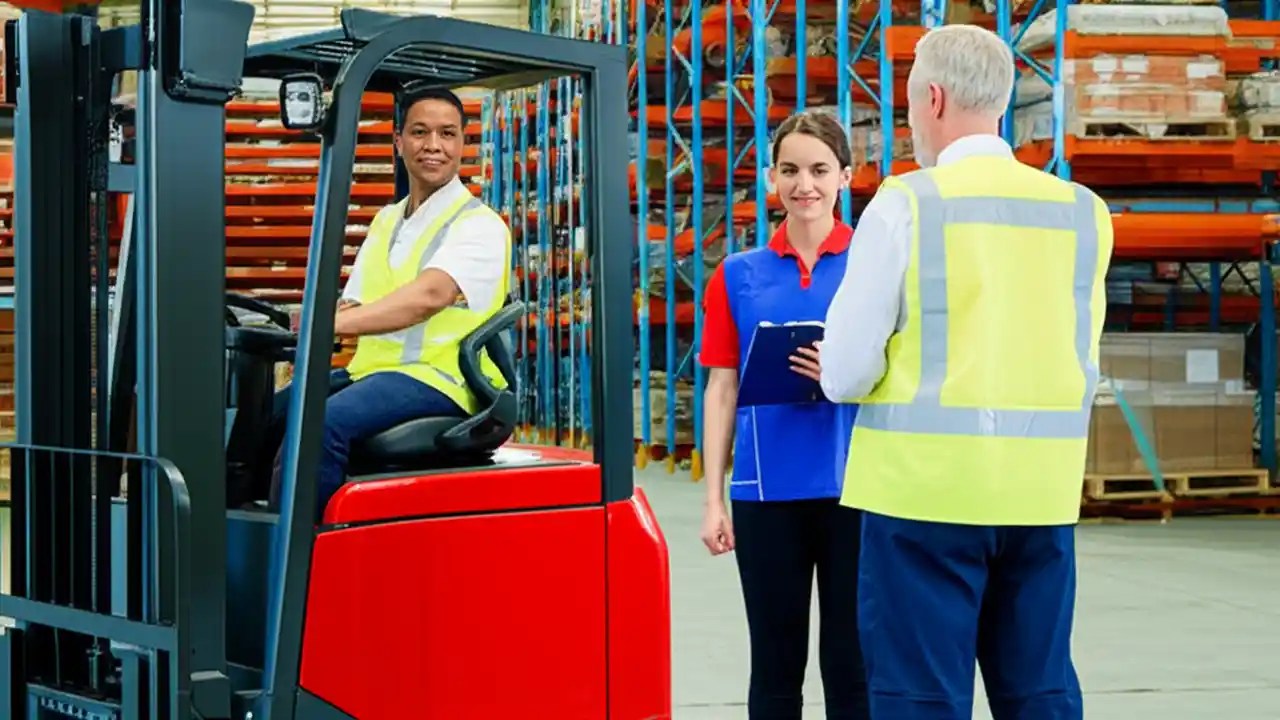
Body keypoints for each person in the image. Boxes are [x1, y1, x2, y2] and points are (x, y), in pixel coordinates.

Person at [818, 25, 1114, 719]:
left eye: (910, 105)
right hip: (1040, 496)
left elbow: (845, 372)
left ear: (934, 98)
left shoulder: (908, 203)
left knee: (919, 700)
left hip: (923, 498)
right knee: (1038, 695)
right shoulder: (1083, 212)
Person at [269, 82, 512, 516]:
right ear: (398, 141)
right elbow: (354, 305)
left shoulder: (480, 225)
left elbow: (429, 296)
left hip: (443, 379)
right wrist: (295, 324)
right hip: (375, 372)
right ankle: (248, 537)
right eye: (420, 132)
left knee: (320, 424)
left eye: (447, 133)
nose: (433, 145)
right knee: (268, 415)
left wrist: (327, 324)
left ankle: (308, 549)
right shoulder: (388, 219)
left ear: (462, 143)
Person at [697, 109, 869, 720]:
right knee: (774, 666)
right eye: (790, 170)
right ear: (772, 177)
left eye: (820, 170)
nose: (805, 185)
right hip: (766, 495)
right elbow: (721, 386)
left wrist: (843, 369)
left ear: (845, 175)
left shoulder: (874, 267)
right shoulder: (738, 275)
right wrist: (713, 499)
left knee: (853, 666)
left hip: (859, 491)